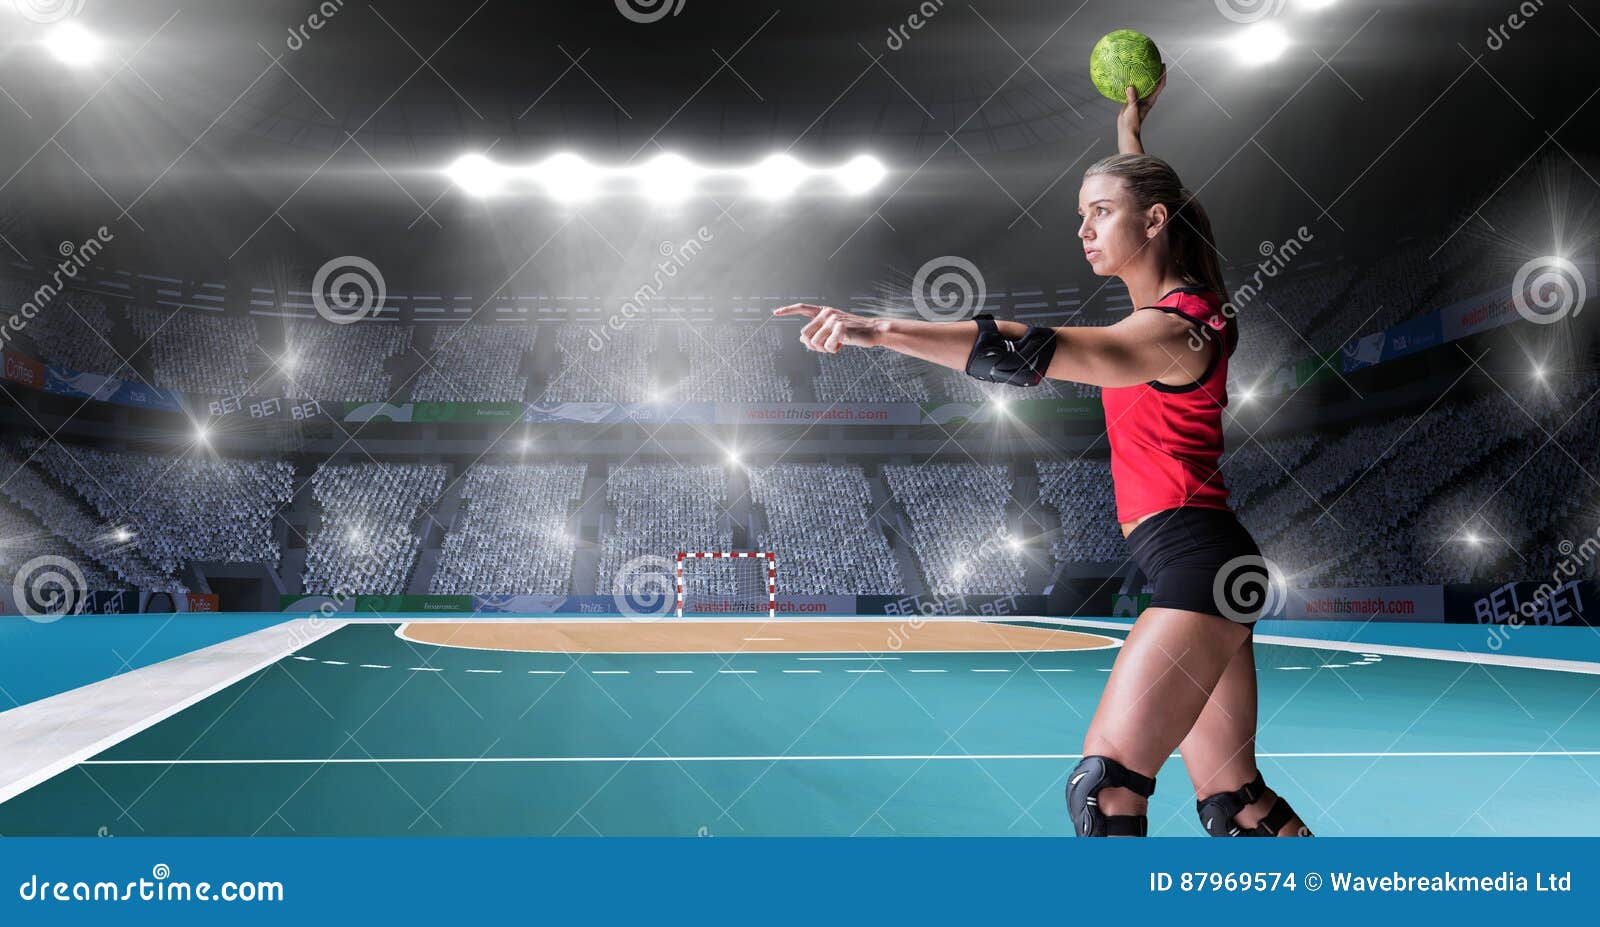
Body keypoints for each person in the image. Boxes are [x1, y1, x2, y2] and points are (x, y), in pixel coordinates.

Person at [775, 74, 1311, 838]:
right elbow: (1153, 200)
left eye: (1100, 212)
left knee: (1107, 790)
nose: (1084, 229)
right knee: (1236, 802)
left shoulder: (1172, 332)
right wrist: (1129, 134)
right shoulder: (1181, 303)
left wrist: (877, 329)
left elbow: (1021, 352)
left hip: (1199, 562)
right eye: (1080, 215)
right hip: (1209, 562)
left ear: (1154, 220)